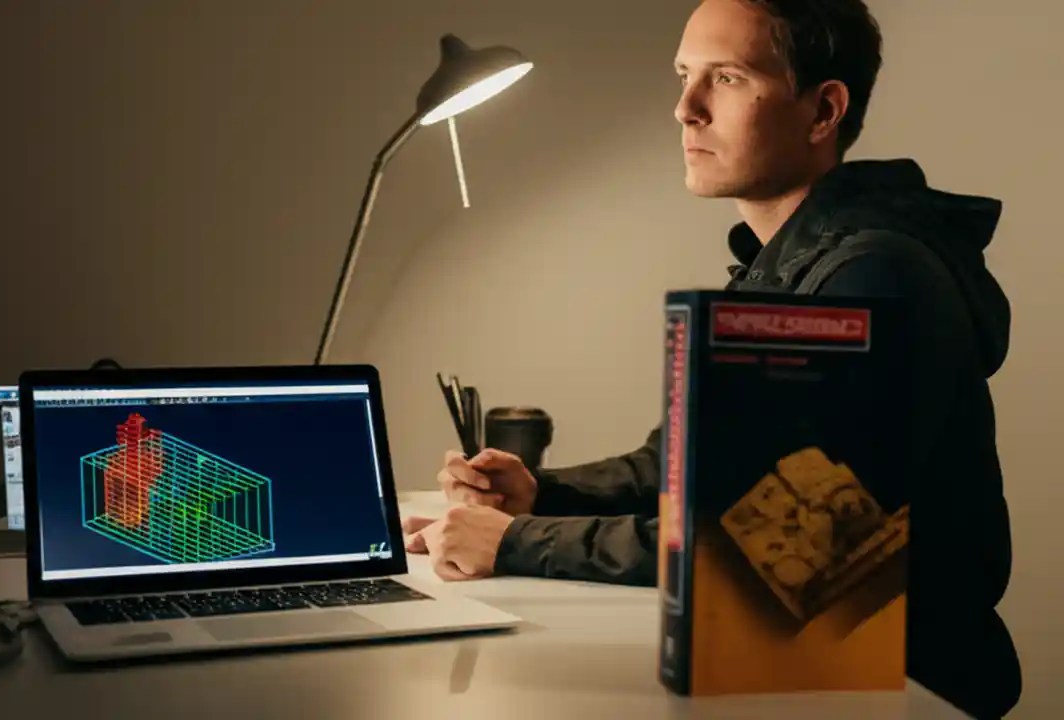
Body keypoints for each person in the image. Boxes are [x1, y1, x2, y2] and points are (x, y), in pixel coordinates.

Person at [399, 0, 1020, 717]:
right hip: (813, 667)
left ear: (823, 111)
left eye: (725, 78)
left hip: (898, 691)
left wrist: (516, 542)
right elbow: (684, 463)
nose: (685, 109)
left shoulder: (872, 278)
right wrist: (544, 493)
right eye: (684, 75)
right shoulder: (790, 264)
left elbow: (779, 542)